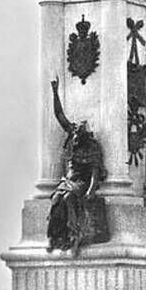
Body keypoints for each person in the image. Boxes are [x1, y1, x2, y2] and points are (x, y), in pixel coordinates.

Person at [46, 78, 108, 254]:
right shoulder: (73, 134)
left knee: (67, 199)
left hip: (81, 182)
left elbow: (95, 172)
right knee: (56, 198)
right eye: (74, 134)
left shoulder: (91, 146)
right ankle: (54, 236)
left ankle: (75, 234)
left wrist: (91, 191)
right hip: (67, 181)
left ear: (85, 135)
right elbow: (59, 115)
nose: (74, 138)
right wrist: (55, 92)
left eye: (78, 135)